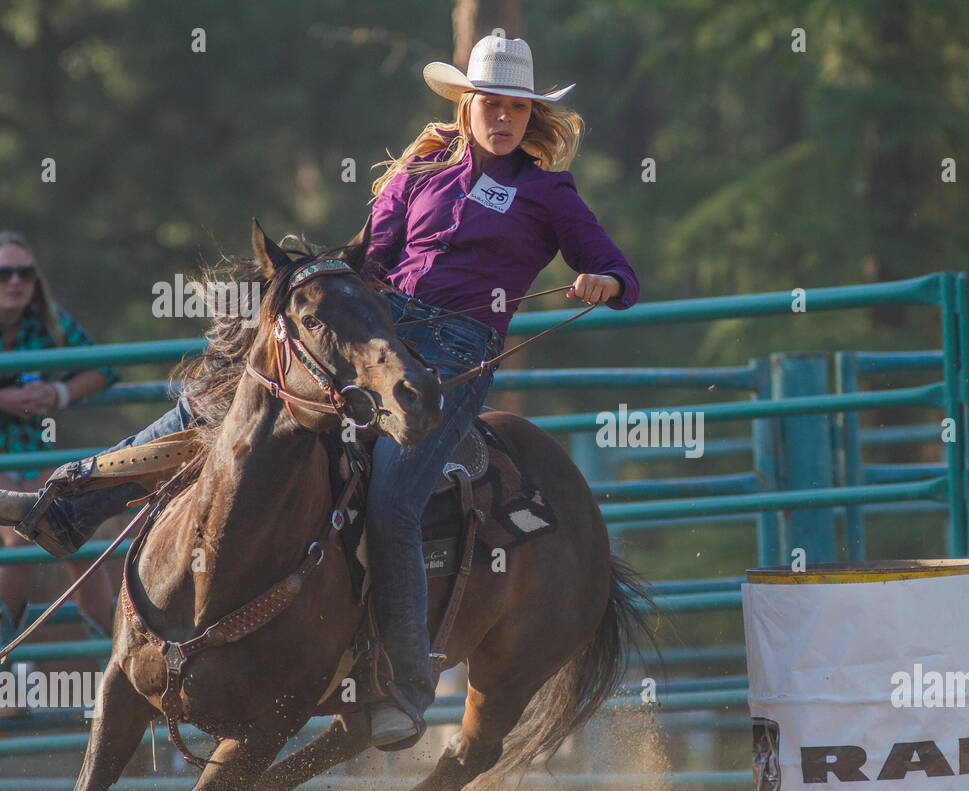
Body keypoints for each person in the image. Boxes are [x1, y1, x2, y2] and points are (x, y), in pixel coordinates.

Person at [0, 36, 639, 751]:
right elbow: (374, 254)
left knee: (394, 497)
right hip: (380, 334)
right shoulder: (423, 171)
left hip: (453, 357)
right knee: (224, 408)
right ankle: (68, 506)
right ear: (467, 106)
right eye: (490, 103)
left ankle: (402, 682)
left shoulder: (548, 193)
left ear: (529, 115)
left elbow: (619, 272)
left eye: (516, 108)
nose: (504, 118)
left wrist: (603, 281)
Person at [0, 232, 119, 639]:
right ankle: (6, 659)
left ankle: (112, 658)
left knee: (75, 534)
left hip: (33, 459)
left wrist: (58, 392)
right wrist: (5, 398)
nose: (16, 282)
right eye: (4, 273)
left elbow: (105, 368)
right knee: (19, 542)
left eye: (25, 273)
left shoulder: (46, 321)